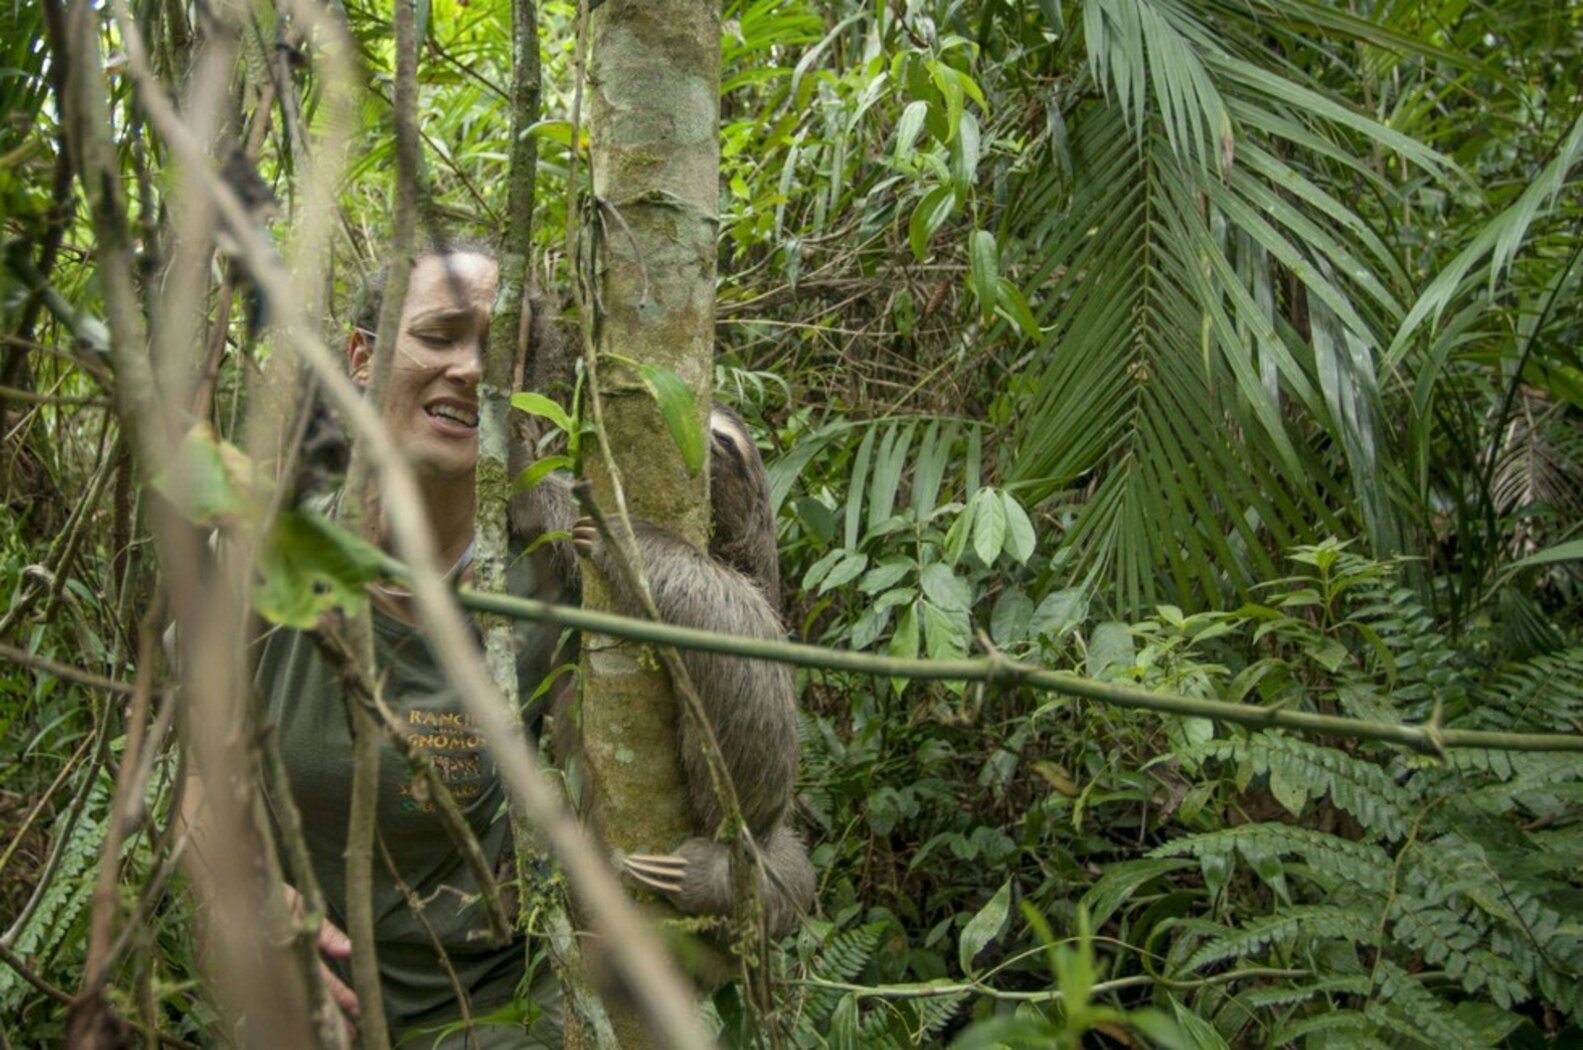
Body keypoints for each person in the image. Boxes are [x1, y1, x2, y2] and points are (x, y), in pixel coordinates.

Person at [250, 241, 565, 1047]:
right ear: (363, 355)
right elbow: (189, 772)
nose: (468, 369)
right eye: (439, 335)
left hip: (494, 1013)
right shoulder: (263, 555)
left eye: (500, 353)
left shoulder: (563, 585)